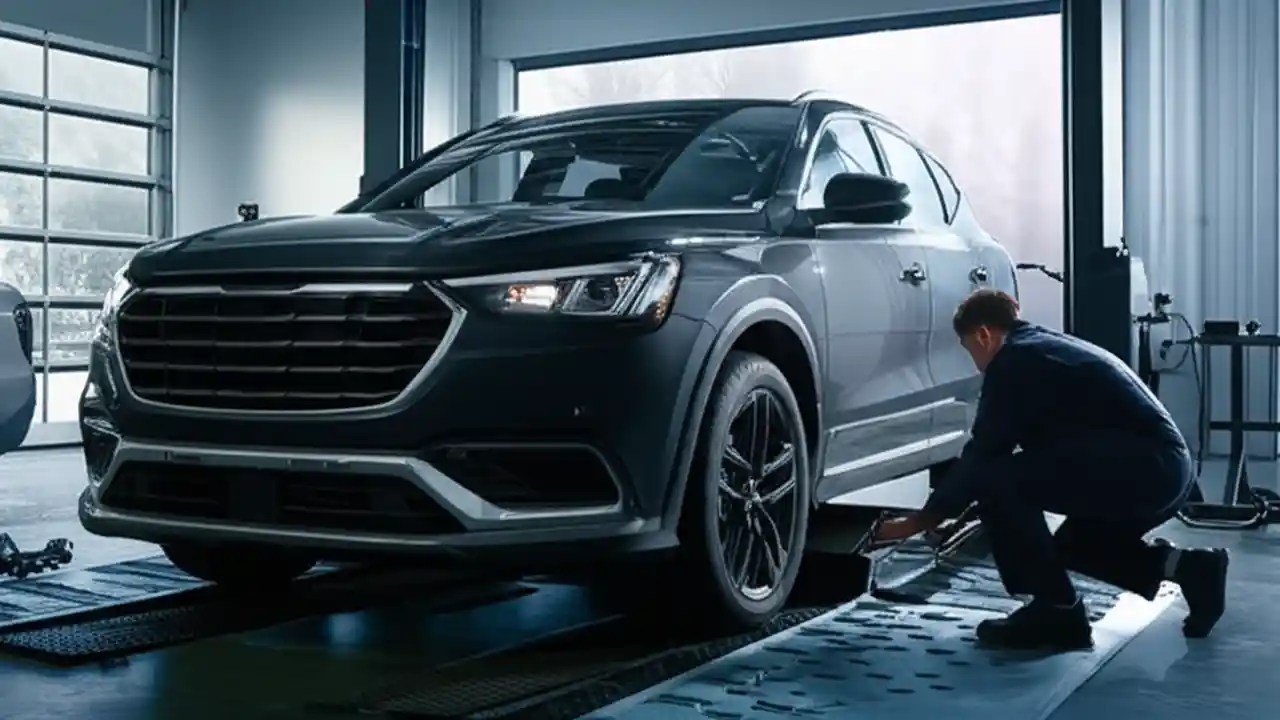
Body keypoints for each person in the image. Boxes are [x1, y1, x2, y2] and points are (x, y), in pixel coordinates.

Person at [874, 289, 1229, 650]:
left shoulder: (1014, 361)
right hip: (1164, 471)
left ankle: (1055, 614)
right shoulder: (1044, 349)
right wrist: (958, 511)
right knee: (1073, 546)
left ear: (983, 334)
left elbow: (984, 454)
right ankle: (1190, 568)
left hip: (1145, 469)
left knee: (999, 480)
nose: (975, 364)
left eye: (970, 351)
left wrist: (920, 521)